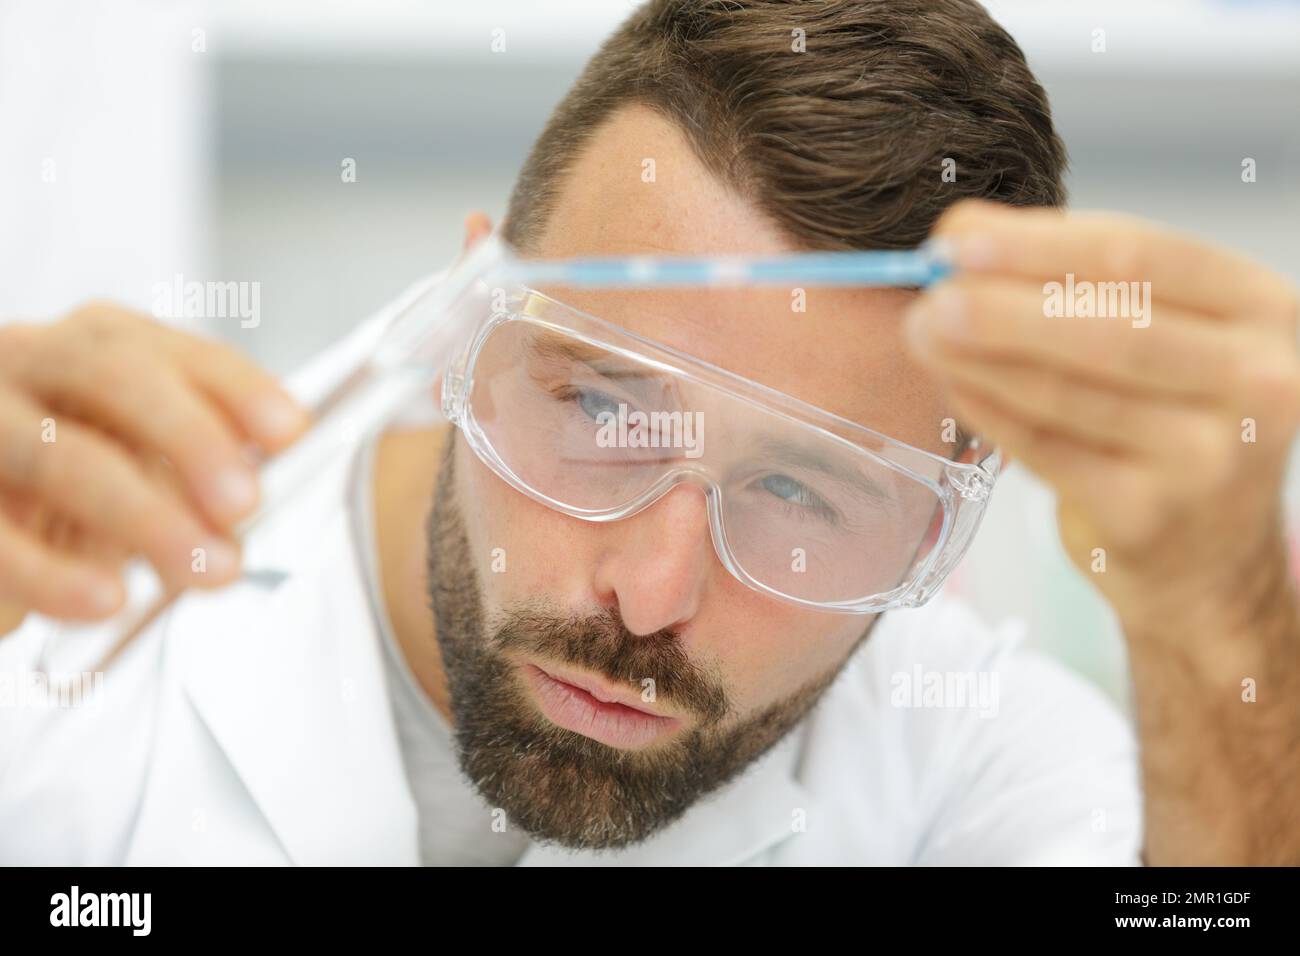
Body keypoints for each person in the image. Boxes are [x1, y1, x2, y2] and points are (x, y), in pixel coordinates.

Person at [1, 0, 1296, 866]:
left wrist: (1220, 610)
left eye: (802, 489)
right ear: (462, 327)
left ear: (946, 516)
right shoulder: (56, 608)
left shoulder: (974, 763)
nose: (650, 593)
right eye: (605, 409)